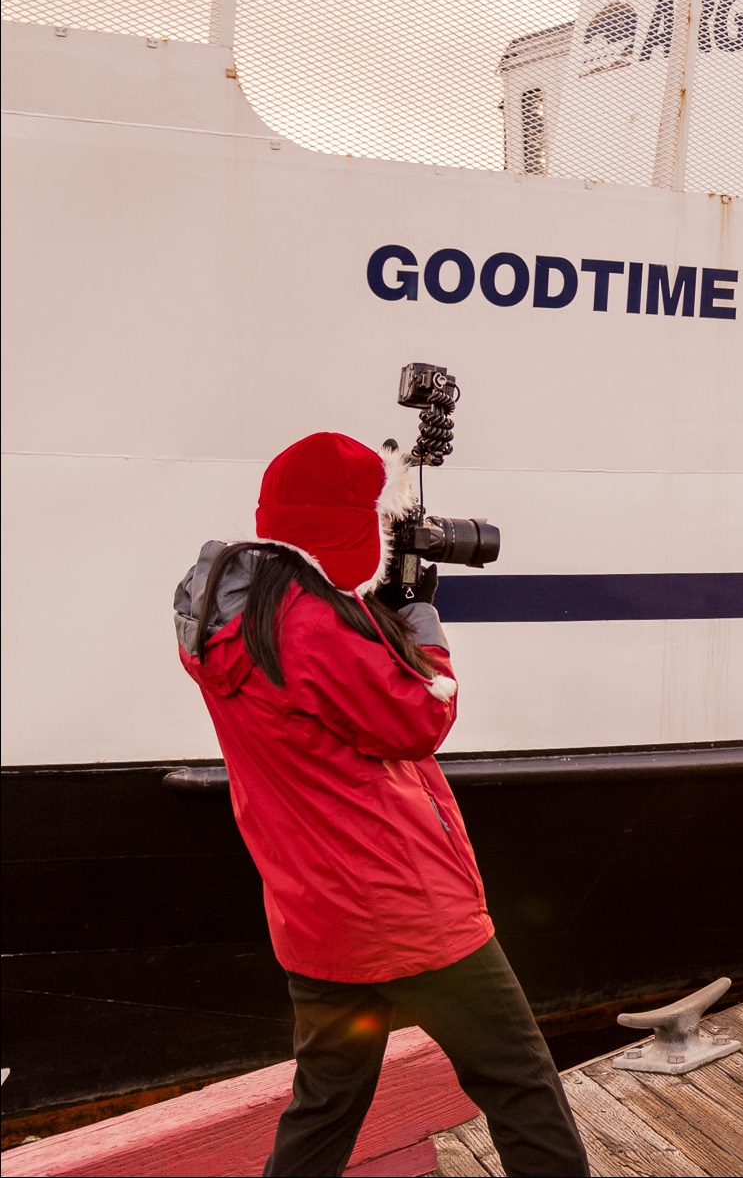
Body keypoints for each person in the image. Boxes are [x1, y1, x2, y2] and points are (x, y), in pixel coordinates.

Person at [175, 432, 588, 1177]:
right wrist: (419, 618)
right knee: (522, 1086)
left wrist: (365, 610)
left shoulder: (231, 618)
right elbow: (421, 716)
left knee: (325, 1107)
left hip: (317, 919)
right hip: (407, 912)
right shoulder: (313, 628)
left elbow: (327, 701)